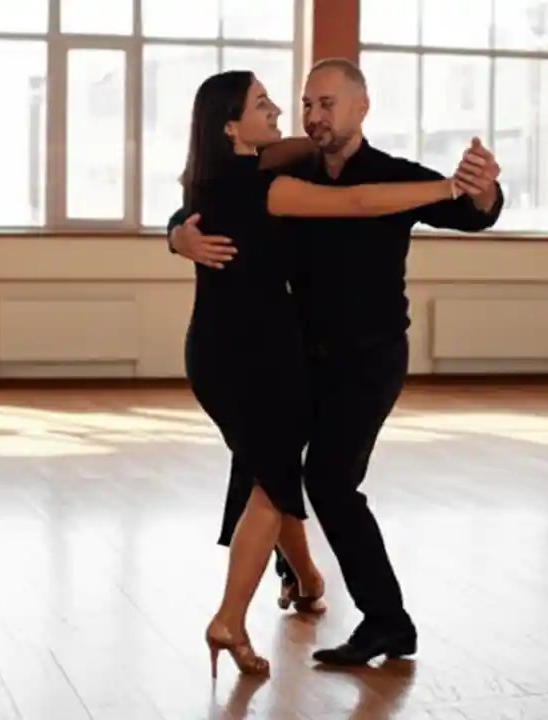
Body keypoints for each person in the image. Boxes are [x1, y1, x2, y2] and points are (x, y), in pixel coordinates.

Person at [169, 58, 504, 667]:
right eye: (306, 104)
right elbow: (211, 188)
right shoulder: (286, 167)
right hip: (293, 356)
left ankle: (383, 621)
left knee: (323, 481)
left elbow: (468, 212)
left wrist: (478, 188)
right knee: (266, 471)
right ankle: (301, 580)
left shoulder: (394, 175)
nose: (312, 115)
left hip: (366, 360)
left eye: (327, 104)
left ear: (361, 107)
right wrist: (176, 234)